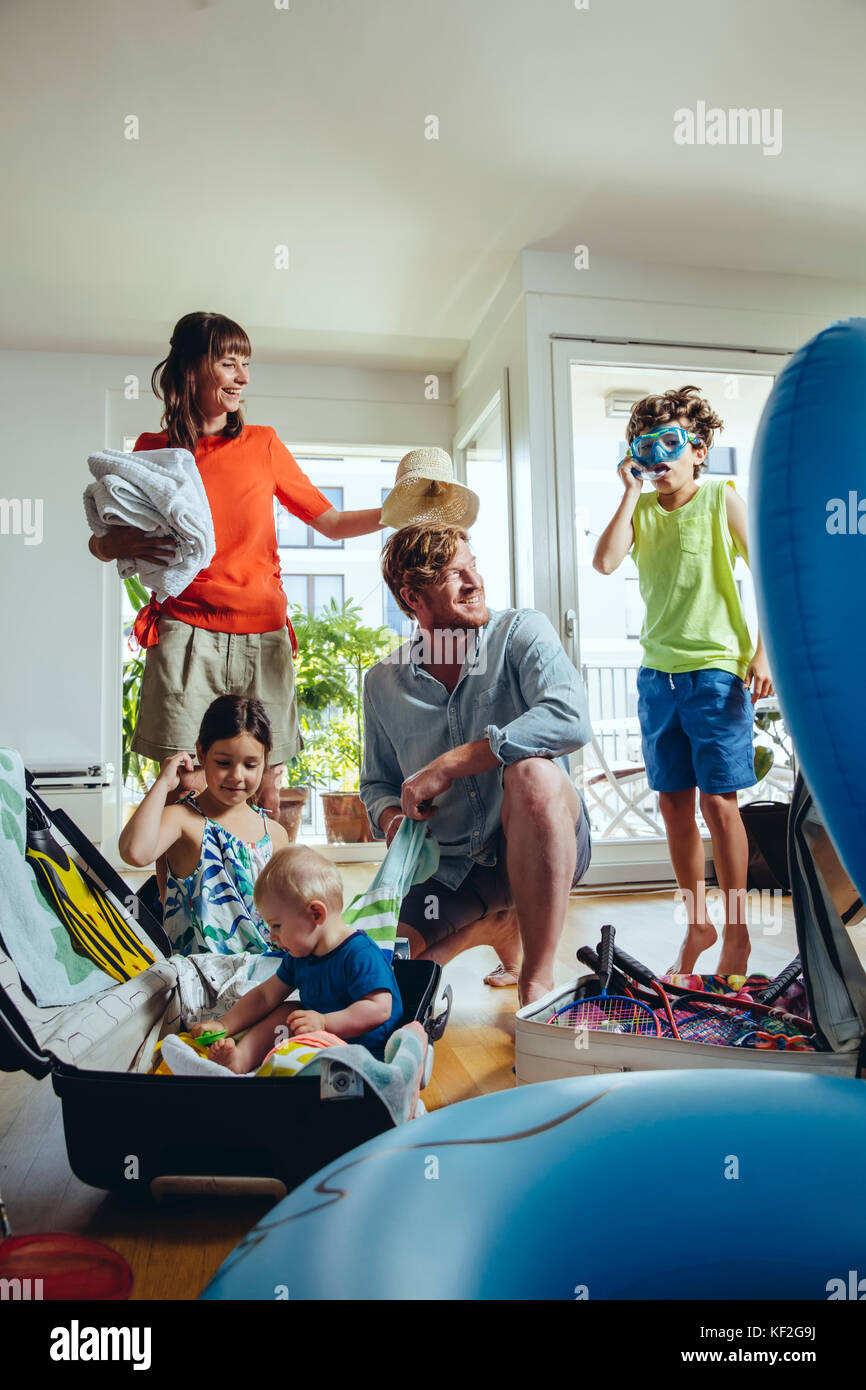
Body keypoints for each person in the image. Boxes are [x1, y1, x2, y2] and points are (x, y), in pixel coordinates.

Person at [89, 310, 384, 818]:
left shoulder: (262, 445)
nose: (243, 378)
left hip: (262, 637)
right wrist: (116, 541)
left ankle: (269, 899)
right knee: (182, 786)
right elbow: (102, 542)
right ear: (192, 369)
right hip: (184, 633)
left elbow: (331, 523)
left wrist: (401, 509)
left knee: (265, 788)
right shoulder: (151, 452)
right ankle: (181, 899)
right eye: (230, 363)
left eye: (246, 364)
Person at [360, 524, 593, 1008]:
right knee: (382, 976)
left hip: (543, 839)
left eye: (473, 565)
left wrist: (452, 763)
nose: (474, 581)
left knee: (532, 773)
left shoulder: (520, 632)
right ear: (413, 597)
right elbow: (376, 783)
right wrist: (391, 817)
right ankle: (497, 924)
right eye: (452, 575)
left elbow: (569, 718)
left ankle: (538, 981)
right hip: (449, 867)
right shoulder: (382, 683)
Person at [593, 385, 773, 977]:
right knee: (673, 802)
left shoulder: (723, 497)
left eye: (671, 443)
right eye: (646, 447)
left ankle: (738, 935)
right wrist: (629, 492)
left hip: (717, 672)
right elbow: (605, 562)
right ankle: (698, 920)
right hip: (657, 677)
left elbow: (768, 570)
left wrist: (765, 653)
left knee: (720, 802)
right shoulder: (642, 510)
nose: (659, 456)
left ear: (698, 449)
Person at [189, 845, 403, 1070]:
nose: (272, 937)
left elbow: (379, 1009)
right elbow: (264, 996)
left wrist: (324, 1022)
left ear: (316, 914)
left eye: (277, 925)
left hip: (369, 1050)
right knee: (289, 1010)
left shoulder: (360, 954)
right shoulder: (300, 956)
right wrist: (224, 1024)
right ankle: (240, 1059)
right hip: (319, 1041)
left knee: (298, 1014)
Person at [119, 695, 289, 956]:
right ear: (201, 753)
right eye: (223, 763)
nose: (236, 775)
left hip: (267, 979)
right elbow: (135, 852)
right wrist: (163, 783)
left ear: (265, 760)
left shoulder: (275, 835)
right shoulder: (182, 820)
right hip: (201, 978)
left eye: (250, 764)